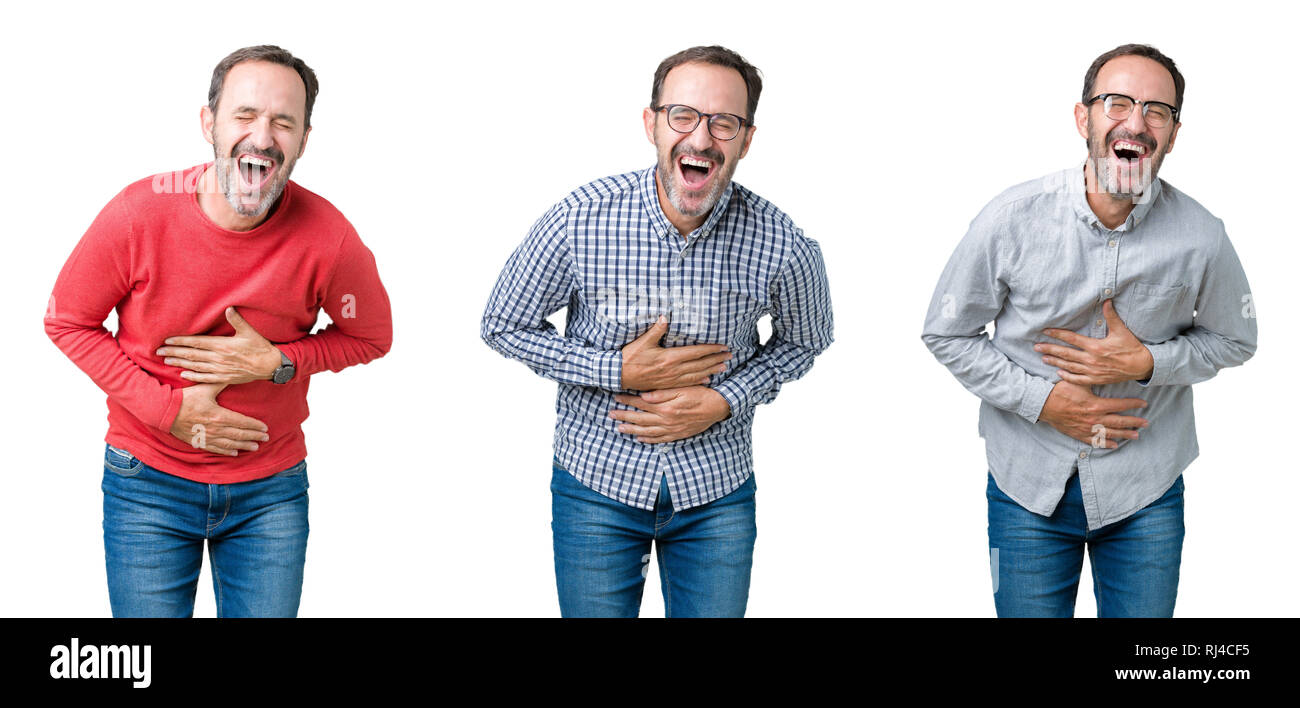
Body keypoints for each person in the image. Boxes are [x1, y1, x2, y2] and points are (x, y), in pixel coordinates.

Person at [482, 45, 833, 617]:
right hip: (595, 484)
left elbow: (806, 339)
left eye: (724, 122)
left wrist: (726, 399)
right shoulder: (580, 218)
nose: (701, 138)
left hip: (717, 491)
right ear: (652, 124)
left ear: (746, 140)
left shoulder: (784, 243)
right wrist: (614, 369)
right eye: (683, 115)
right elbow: (503, 323)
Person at [44, 45, 393, 617]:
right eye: (244, 115)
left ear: (304, 140)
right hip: (147, 482)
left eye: (284, 122)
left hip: (270, 491)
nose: (263, 136)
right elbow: (68, 321)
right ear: (209, 123)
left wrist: (280, 362)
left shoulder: (330, 238)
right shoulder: (138, 214)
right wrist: (167, 410)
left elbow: (371, 336)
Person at [921, 44, 1257, 617]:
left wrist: (1148, 362)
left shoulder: (1203, 237)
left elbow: (1237, 340)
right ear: (1084, 118)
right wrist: (1042, 401)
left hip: (1146, 489)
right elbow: (946, 333)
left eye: (1156, 110)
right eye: (1116, 103)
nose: (1136, 123)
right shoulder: (1009, 219)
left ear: (1173, 134)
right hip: (1027, 486)